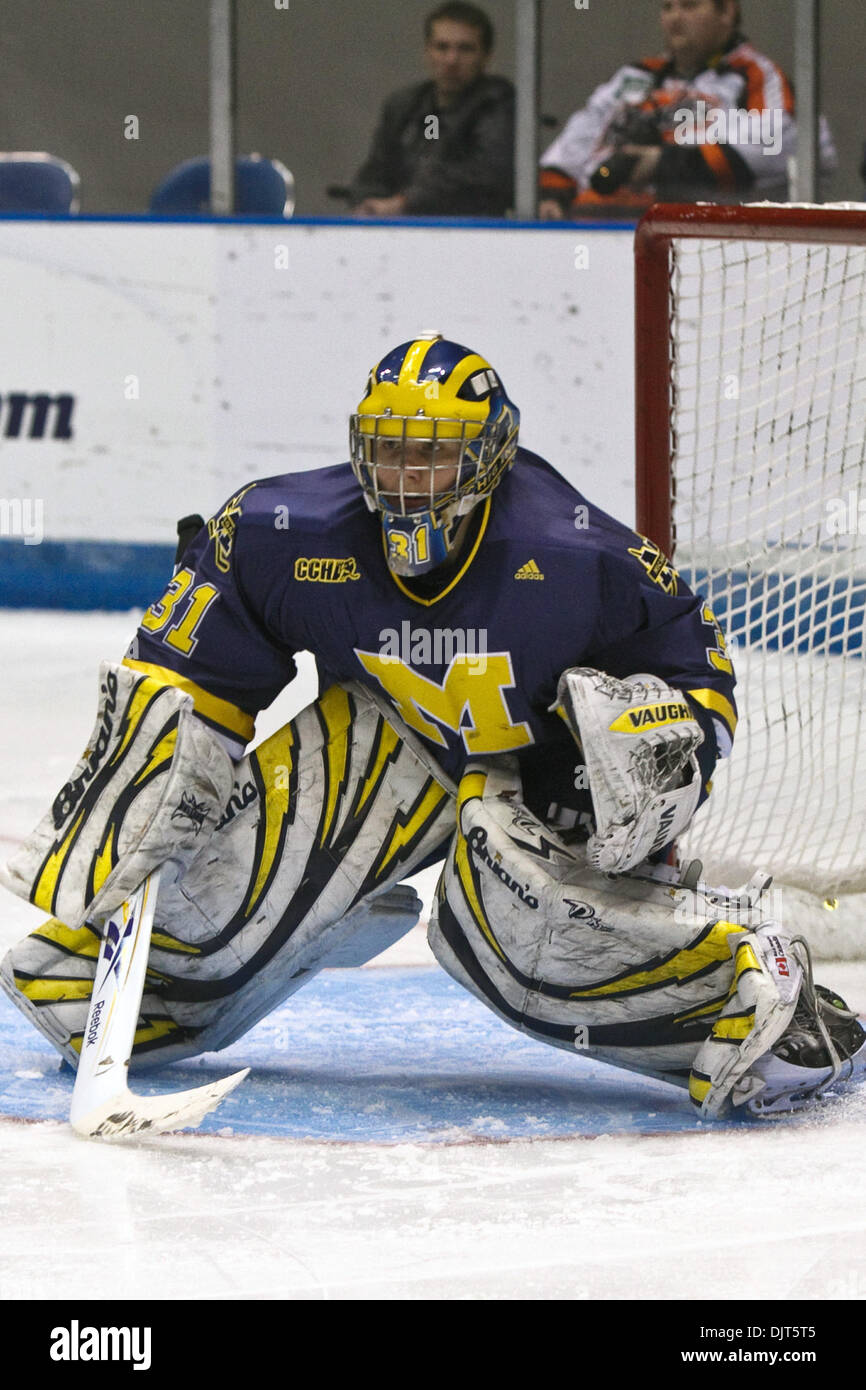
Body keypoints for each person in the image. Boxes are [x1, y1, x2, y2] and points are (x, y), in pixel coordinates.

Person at [2, 334, 863, 1122]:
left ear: (490, 456)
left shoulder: (574, 555)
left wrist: (653, 765)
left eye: (433, 453)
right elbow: (191, 670)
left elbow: (694, 667)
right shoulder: (282, 533)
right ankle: (152, 986)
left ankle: (768, 1004)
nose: (406, 476)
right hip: (393, 746)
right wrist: (160, 767)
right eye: (389, 450)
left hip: (536, 778)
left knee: (517, 946)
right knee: (227, 899)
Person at [539, 0, 837, 218]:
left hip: (705, 241)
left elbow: (775, 147)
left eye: (689, 6)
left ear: (727, 12)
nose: (675, 18)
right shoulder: (636, 76)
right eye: (667, 7)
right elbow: (578, 139)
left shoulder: (755, 75)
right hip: (596, 226)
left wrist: (663, 164)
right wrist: (553, 194)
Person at [349, 3, 514, 218]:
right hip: (399, 229)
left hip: (470, 230)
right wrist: (366, 202)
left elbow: (485, 174)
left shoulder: (498, 103)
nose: (451, 60)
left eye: (465, 49)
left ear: (486, 57)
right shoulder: (408, 105)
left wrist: (404, 202)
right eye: (442, 47)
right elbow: (375, 171)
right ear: (427, 51)